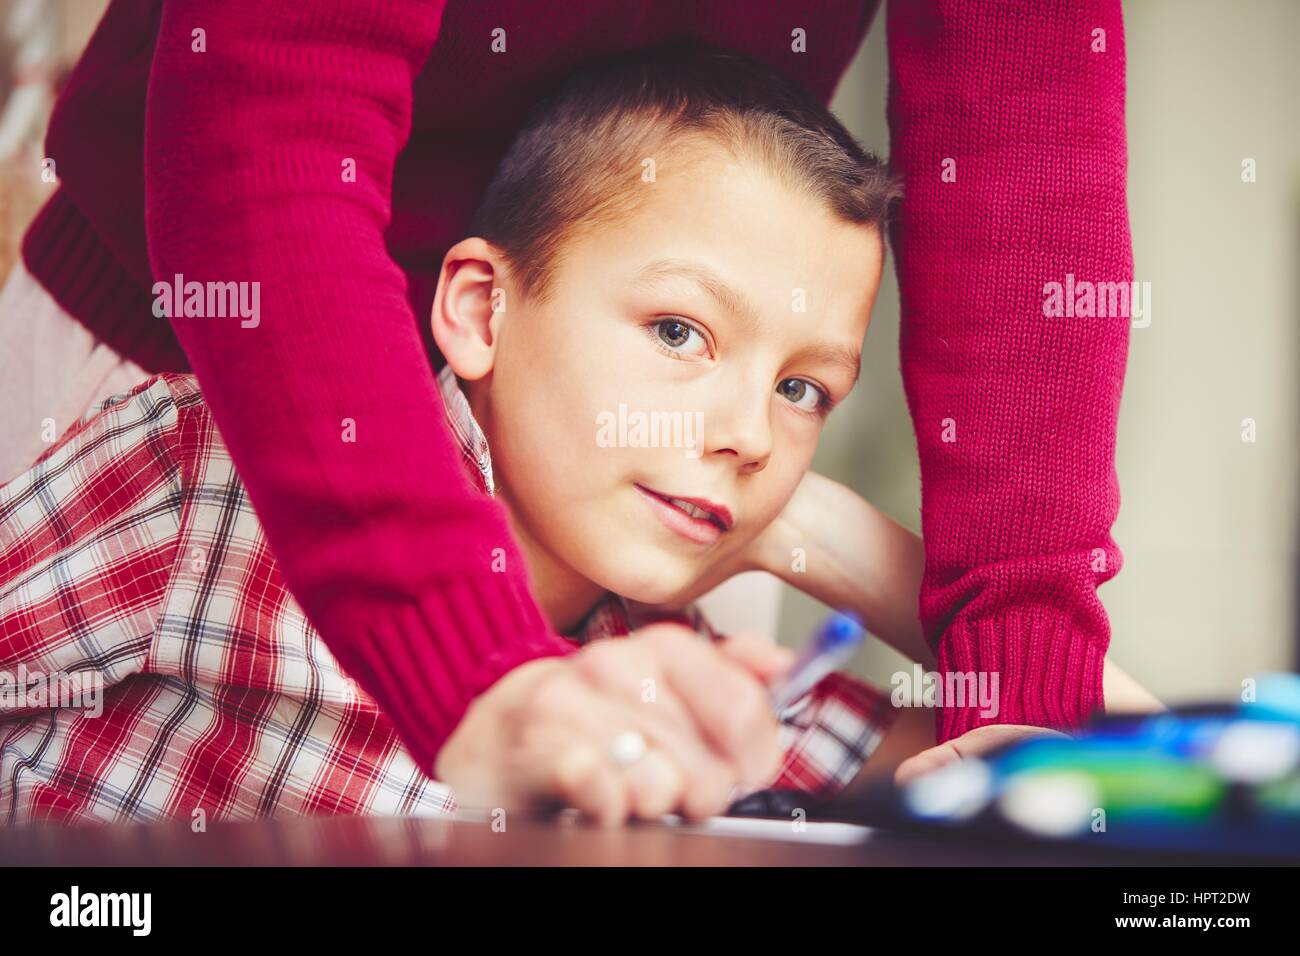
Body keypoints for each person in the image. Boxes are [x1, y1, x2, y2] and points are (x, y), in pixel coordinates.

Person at [0, 42, 1158, 826]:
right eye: (678, 329)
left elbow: (1104, 756)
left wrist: (991, 634)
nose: (750, 431)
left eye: (805, 389)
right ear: (479, 310)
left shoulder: (690, 663)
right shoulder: (203, 484)